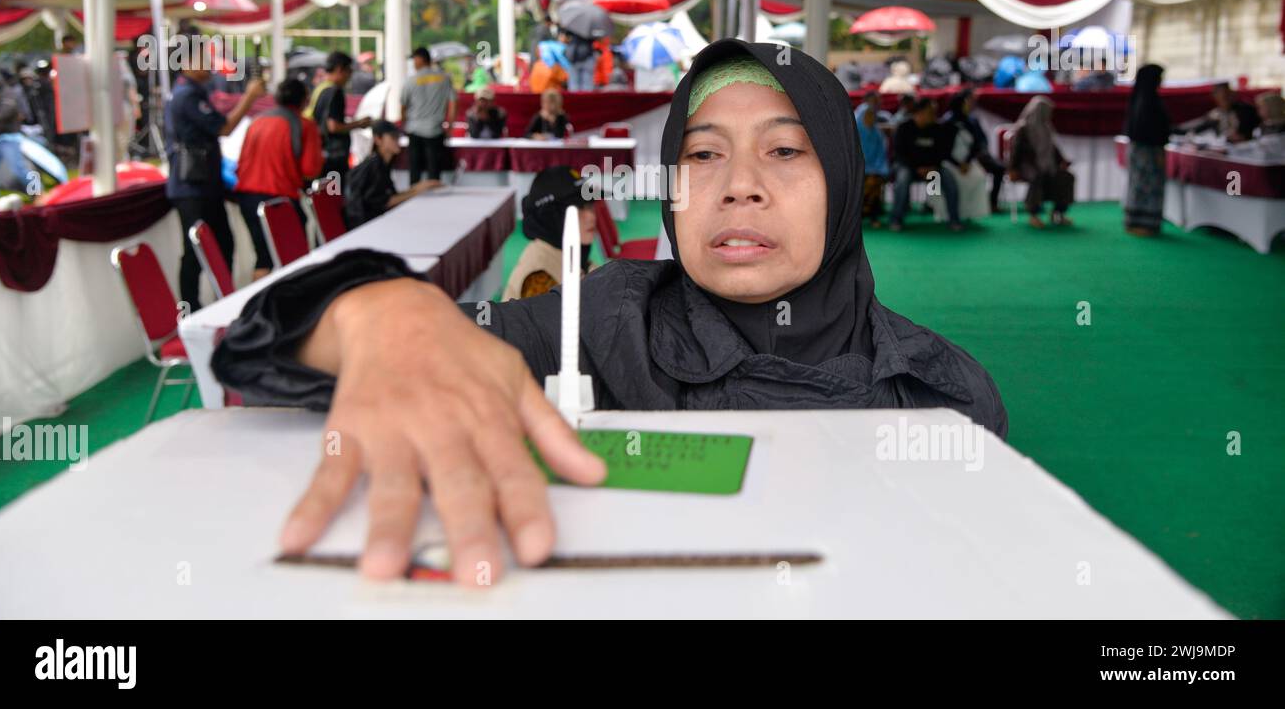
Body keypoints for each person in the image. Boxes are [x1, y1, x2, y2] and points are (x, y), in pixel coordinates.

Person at [210, 39, 1007, 585]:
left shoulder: (939, 398)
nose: (738, 184)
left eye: (785, 150)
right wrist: (377, 314)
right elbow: (260, 351)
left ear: (840, 176)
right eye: (702, 153)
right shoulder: (601, 325)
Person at [166, 53, 265, 311]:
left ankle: (221, 300)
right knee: (196, 250)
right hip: (192, 187)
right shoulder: (187, 95)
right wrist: (250, 97)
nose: (208, 66)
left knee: (221, 243)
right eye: (200, 60)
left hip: (203, 185)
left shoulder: (193, 92)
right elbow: (224, 128)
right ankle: (191, 309)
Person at [234, 79, 325, 279]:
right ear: (304, 100)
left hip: (247, 198)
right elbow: (310, 170)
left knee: (263, 258)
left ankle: (260, 307)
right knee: (295, 257)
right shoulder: (304, 126)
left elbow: (241, 163)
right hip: (279, 200)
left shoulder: (257, 121)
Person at [503, 166, 597, 300]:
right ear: (551, 216)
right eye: (577, 208)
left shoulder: (568, 254)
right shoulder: (539, 280)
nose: (591, 216)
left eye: (590, 205)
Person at [342, 121, 442, 229]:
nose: (397, 141)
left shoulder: (382, 164)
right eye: (393, 137)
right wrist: (417, 191)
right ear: (378, 139)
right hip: (366, 226)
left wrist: (419, 187)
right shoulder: (374, 166)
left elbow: (388, 197)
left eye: (398, 137)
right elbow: (384, 202)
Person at [889, 97, 963, 232]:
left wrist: (932, 167)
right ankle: (896, 219)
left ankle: (954, 220)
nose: (934, 114)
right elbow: (900, 154)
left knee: (949, 179)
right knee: (903, 178)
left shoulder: (937, 128)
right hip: (909, 167)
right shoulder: (904, 128)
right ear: (920, 112)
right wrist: (917, 168)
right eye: (931, 111)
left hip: (933, 168)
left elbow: (943, 152)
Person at [1008, 95, 1074, 228]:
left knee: (1066, 177)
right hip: (1027, 165)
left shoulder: (1047, 128)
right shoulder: (1023, 129)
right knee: (1037, 176)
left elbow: (1053, 149)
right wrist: (1012, 169)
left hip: (1046, 164)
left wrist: (1063, 161)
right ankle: (1033, 214)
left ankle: (1058, 212)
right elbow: (1016, 152)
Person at [1122, 64, 1170, 237]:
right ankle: (1142, 222)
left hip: (1139, 149)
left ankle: (1137, 221)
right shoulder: (1149, 101)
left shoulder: (1139, 98)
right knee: (1146, 186)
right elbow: (1153, 130)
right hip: (1148, 150)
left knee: (1138, 185)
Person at [313, 52, 373, 180]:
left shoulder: (321, 88)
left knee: (326, 194)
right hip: (334, 155)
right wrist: (359, 124)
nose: (350, 76)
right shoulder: (335, 91)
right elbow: (333, 126)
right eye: (349, 71)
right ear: (340, 69)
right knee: (335, 194)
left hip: (322, 151)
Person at [400, 46, 456, 184]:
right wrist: (450, 125)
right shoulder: (444, 78)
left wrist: (404, 125)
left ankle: (412, 201)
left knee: (415, 172)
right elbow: (454, 103)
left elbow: (403, 107)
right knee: (434, 172)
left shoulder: (410, 80)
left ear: (421, 59)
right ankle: (435, 202)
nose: (413, 63)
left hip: (414, 130)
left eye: (414, 59)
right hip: (435, 131)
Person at [944, 88, 1005, 212]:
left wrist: (971, 158)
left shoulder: (972, 120)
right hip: (949, 161)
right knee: (932, 174)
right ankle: (930, 204)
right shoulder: (946, 122)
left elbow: (980, 141)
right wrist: (958, 163)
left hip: (973, 157)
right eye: (968, 101)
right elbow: (943, 149)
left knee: (994, 170)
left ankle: (991, 203)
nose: (970, 104)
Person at [0, 67, 30, 210]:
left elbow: (7, 110)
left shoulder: (7, 92)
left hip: (9, 137)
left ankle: (38, 192)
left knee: (18, 168)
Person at [1175, 82, 1260, 143]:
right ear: (1214, 96)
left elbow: (1247, 135)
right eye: (1222, 96)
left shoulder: (1246, 111)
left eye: (1228, 94)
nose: (1226, 98)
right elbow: (1195, 127)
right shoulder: (1215, 114)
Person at [853, 91, 889, 227]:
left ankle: (870, 214)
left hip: (875, 169)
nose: (870, 118)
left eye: (872, 115)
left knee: (875, 180)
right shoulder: (853, 133)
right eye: (867, 115)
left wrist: (878, 171)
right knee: (867, 181)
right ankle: (864, 214)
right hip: (857, 169)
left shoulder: (878, 134)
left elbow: (882, 156)